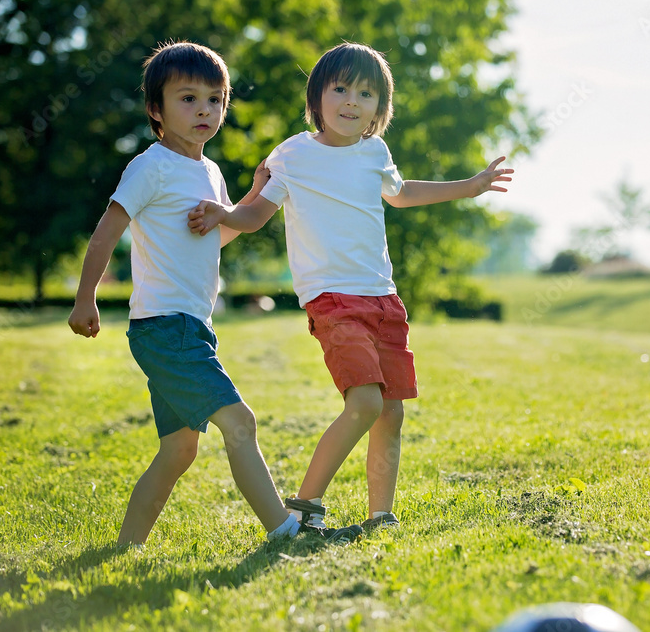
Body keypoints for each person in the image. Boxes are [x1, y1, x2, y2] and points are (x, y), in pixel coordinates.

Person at [187, 42, 513, 534]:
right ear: (317, 97)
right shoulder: (292, 155)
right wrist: (224, 214)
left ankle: (382, 515)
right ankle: (304, 505)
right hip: (332, 299)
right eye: (340, 88)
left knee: (391, 413)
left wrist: (467, 186)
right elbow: (255, 213)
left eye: (366, 93)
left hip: (383, 298)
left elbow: (400, 195)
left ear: (380, 109)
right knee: (364, 403)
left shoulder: (374, 152)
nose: (352, 101)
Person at [67, 41, 359, 546]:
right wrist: (85, 297)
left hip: (191, 327)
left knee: (179, 451)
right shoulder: (150, 166)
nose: (204, 109)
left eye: (215, 99)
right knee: (239, 422)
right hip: (165, 326)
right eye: (188, 99)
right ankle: (286, 531)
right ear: (156, 110)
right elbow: (108, 230)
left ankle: (125, 547)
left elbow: (220, 233)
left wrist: (245, 197)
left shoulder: (209, 171)